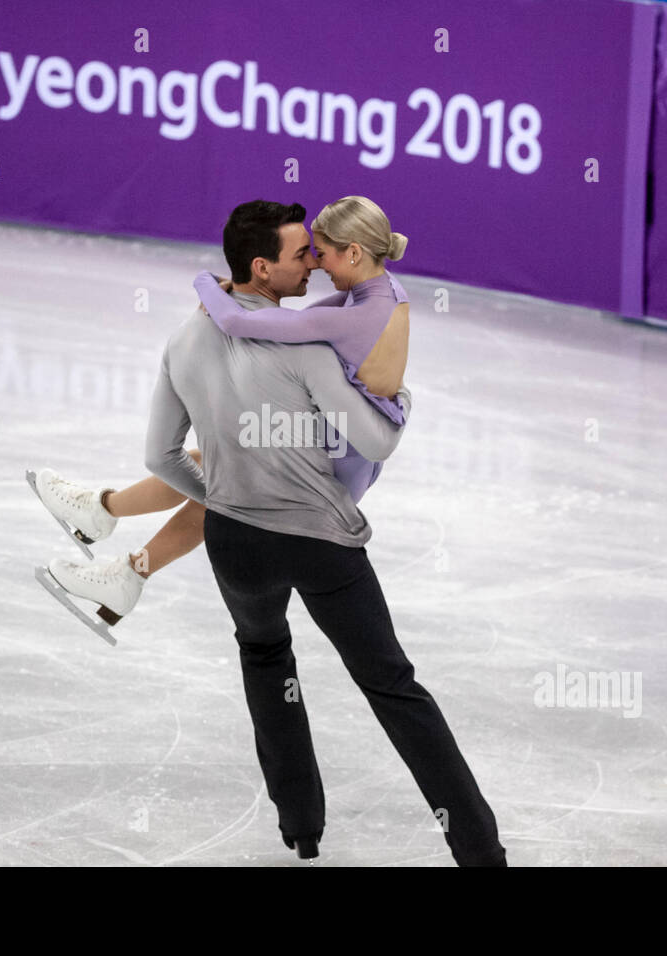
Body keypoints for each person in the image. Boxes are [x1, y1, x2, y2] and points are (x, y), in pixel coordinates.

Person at [142, 199, 505, 865]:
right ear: (261, 266)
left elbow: (160, 458)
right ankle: (481, 852)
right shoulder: (305, 347)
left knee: (265, 659)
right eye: (299, 254)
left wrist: (224, 499)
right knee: (392, 687)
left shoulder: (181, 340)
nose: (311, 262)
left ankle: (301, 826)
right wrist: (402, 405)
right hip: (320, 545)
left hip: (237, 545)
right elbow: (375, 441)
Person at [31, 197, 410, 626]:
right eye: (306, 254)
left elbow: (240, 324)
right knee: (219, 466)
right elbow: (280, 325)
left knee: (231, 476)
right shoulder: (374, 295)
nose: (316, 266)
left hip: (338, 469)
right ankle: (114, 537)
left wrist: (207, 284)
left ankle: (111, 531)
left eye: (318, 253)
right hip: (337, 452)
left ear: (354, 252)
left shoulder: (349, 316)